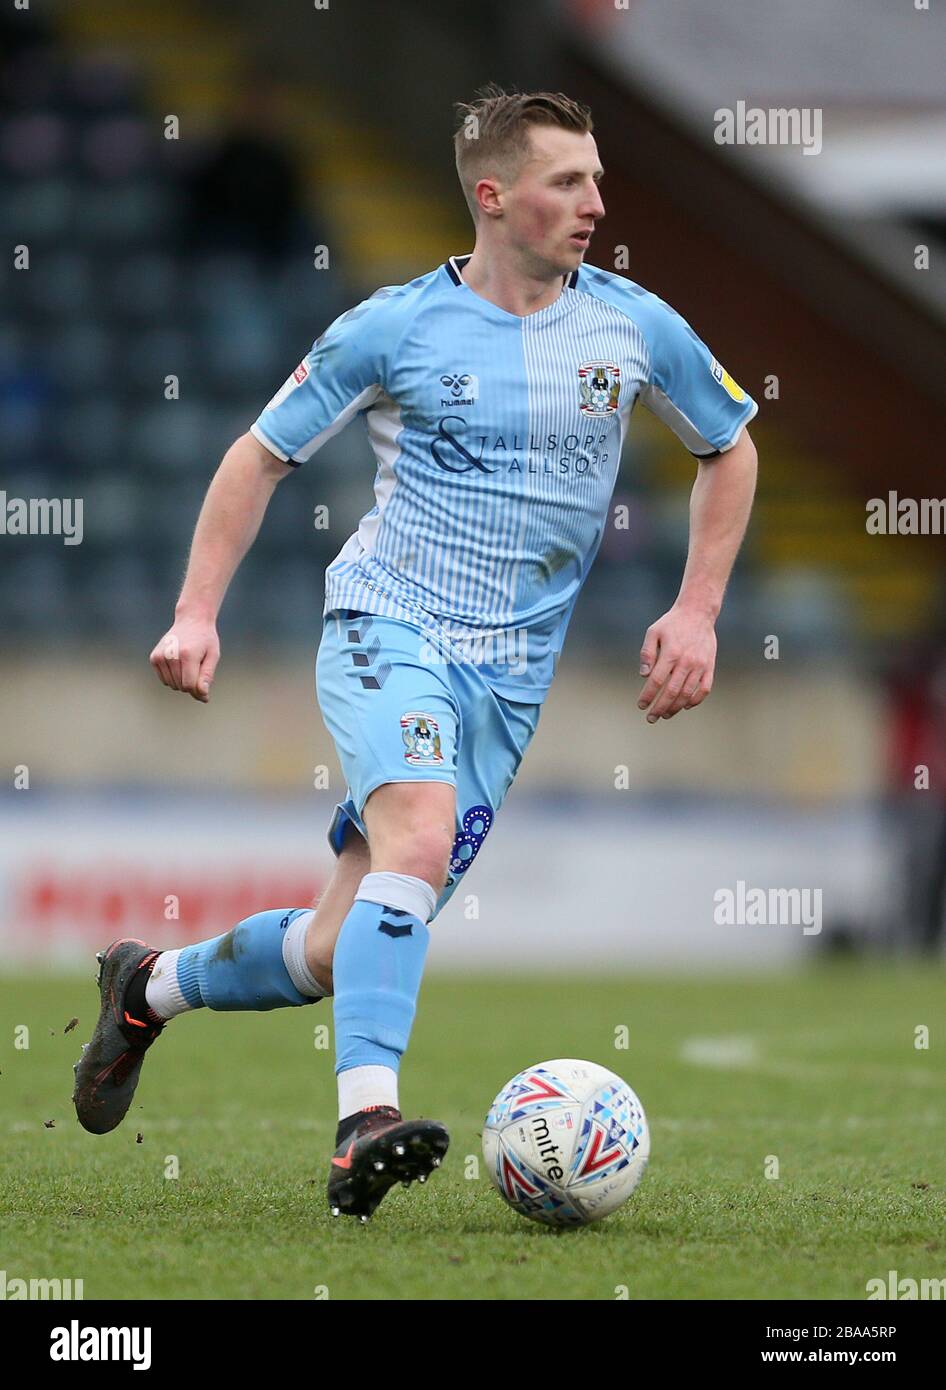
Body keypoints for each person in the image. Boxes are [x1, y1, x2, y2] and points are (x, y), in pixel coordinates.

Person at [73, 85, 758, 1223]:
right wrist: (196, 611)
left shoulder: (634, 326)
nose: (595, 202)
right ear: (493, 197)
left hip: (508, 684)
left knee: (345, 945)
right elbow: (258, 456)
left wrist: (697, 611)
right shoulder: (392, 325)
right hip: (388, 628)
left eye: (595, 178)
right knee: (420, 838)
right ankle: (363, 1125)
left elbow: (728, 446)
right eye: (566, 181)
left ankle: (148, 986)